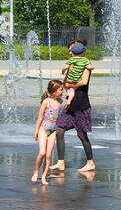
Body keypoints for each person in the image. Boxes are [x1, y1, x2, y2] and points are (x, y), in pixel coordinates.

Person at [52, 41, 96, 173]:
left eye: (71, 50)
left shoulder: (86, 66)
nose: (69, 52)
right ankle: (60, 162)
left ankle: (90, 162)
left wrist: (71, 86)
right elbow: (65, 82)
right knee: (59, 131)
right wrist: (67, 84)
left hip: (81, 103)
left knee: (81, 134)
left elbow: (84, 82)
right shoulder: (72, 64)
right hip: (71, 104)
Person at [31, 79, 65, 184]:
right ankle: (36, 172)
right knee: (42, 153)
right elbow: (40, 117)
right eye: (61, 90)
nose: (62, 92)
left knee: (49, 155)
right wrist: (36, 131)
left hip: (53, 131)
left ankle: (44, 176)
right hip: (43, 129)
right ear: (54, 91)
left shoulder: (60, 102)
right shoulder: (46, 102)